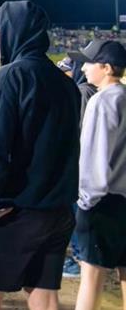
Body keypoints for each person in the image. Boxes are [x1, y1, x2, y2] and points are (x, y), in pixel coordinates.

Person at [0, 1, 80, 310]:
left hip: (16, 210)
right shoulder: (67, 86)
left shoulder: (9, 77)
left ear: (14, 32)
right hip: (58, 210)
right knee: (43, 300)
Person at [66, 39, 126, 310]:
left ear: (106, 68)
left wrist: (84, 201)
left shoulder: (102, 101)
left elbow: (94, 158)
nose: (84, 67)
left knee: (92, 277)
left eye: (90, 62)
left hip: (101, 203)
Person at [56, 55, 98, 279]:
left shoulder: (82, 91)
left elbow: (79, 132)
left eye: (67, 71)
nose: (64, 76)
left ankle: (80, 260)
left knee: (77, 214)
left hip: (80, 165)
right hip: (82, 164)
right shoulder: (86, 90)